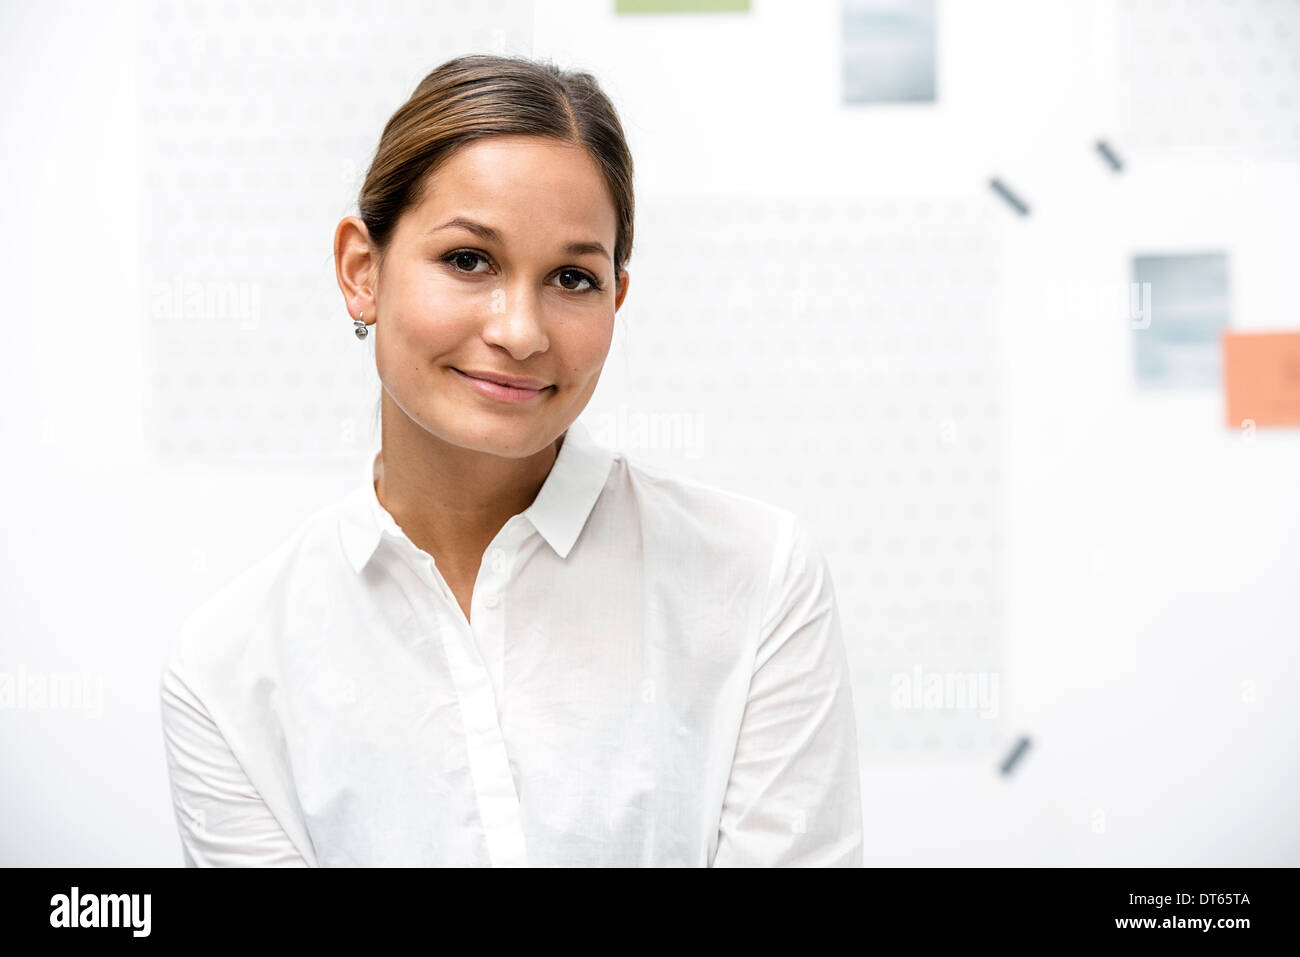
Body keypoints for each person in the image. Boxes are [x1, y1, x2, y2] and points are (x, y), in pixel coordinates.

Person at [158, 53, 863, 867]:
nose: (521, 331)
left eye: (572, 277)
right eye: (469, 260)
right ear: (362, 272)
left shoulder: (757, 580)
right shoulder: (231, 668)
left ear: (617, 299)